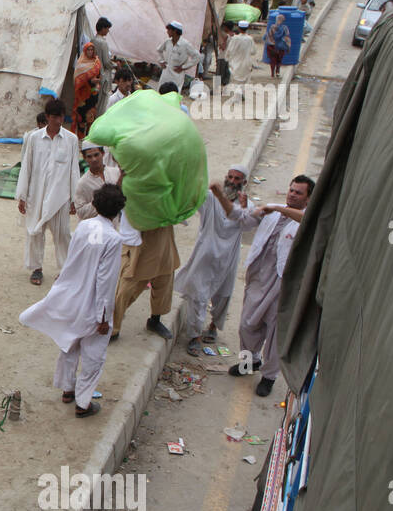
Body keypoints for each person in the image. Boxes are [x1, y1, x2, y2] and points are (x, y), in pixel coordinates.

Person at [19, 184, 127, 419]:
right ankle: (83, 402)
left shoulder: (85, 226)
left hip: (70, 297)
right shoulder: (114, 239)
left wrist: (62, 280)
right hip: (92, 304)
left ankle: (68, 389)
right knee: (93, 354)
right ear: (118, 211)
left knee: (69, 344)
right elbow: (106, 281)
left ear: (95, 205)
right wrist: (103, 317)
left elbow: (72, 260)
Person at [231, 175, 313, 397]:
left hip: (283, 284)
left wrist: (277, 207)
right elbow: (247, 222)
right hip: (258, 277)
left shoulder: (307, 219)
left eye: (298, 192)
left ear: (308, 199)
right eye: (291, 190)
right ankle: (249, 363)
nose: (292, 194)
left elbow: (304, 221)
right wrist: (247, 207)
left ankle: (269, 377)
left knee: (275, 332)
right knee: (247, 325)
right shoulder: (273, 212)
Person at [173, 167, 256, 357]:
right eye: (230, 177)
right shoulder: (210, 197)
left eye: (237, 179)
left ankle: (213, 325)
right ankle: (194, 336)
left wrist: (238, 206)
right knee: (197, 295)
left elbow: (246, 223)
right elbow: (192, 200)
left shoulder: (247, 205)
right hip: (204, 254)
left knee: (223, 295)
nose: (232, 181)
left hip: (228, 257)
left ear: (243, 183)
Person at [16, 98, 78, 286]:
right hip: (37, 193)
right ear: (48, 117)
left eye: (60, 117)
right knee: (35, 232)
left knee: (63, 234)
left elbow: (74, 169)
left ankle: (66, 270)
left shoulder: (71, 140)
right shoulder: (34, 138)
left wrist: (74, 199)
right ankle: (37, 269)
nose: (58, 121)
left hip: (60, 196)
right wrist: (22, 196)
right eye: (54, 117)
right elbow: (26, 166)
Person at [112, 209, 180, 340]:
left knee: (163, 283)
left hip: (164, 236)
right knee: (126, 289)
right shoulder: (132, 193)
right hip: (140, 241)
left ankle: (155, 320)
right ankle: (113, 328)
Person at [73, 141, 121, 219]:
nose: (94, 159)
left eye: (96, 155)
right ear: (85, 158)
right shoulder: (82, 183)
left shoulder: (115, 172)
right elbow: (80, 212)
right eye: (89, 156)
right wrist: (99, 202)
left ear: (103, 153)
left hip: (115, 225)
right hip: (94, 227)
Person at [157, 21, 200, 92]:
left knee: (174, 93)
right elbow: (159, 50)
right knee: (161, 91)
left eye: (169, 30)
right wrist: (161, 61)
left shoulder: (185, 44)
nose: (167, 32)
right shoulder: (167, 42)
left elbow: (197, 57)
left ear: (175, 31)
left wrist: (184, 67)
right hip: (166, 72)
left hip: (177, 75)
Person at [72, 41, 102, 135]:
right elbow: (77, 79)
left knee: (91, 114)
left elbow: (100, 75)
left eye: (92, 49)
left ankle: (89, 136)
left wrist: (97, 82)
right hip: (82, 94)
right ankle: (80, 137)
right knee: (81, 116)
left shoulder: (96, 62)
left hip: (93, 93)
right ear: (85, 51)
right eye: (88, 49)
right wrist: (89, 81)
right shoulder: (81, 63)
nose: (90, 51)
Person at [226, 20, 257, 104]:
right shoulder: (250, 39)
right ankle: (239, 94)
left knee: (235, 79)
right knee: (243, 80)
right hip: (246, 62)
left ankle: (236, 96)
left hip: (235, 62)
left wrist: (227, 58)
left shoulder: (235, 38)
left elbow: (229, 50)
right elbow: (253, 51)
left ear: (239, 28)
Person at [92, 18, 115, 118]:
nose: (108, 31)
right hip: (103, 75)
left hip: (94, 74)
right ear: (102, 28)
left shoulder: (92, 40)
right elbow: (106, 62)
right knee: (102, 102)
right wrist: (114, 65)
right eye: (107, 28)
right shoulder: (103, 43)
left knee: (93, 102)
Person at [265, 13, 289, 79]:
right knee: (279, 60)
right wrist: (288, 47)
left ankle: (272, 74)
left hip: (271, 47)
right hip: (281, 47)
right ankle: (277, 72)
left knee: (272, 60)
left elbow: (267, 36)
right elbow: (287, 38)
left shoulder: (272, 27)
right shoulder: (285, 28)